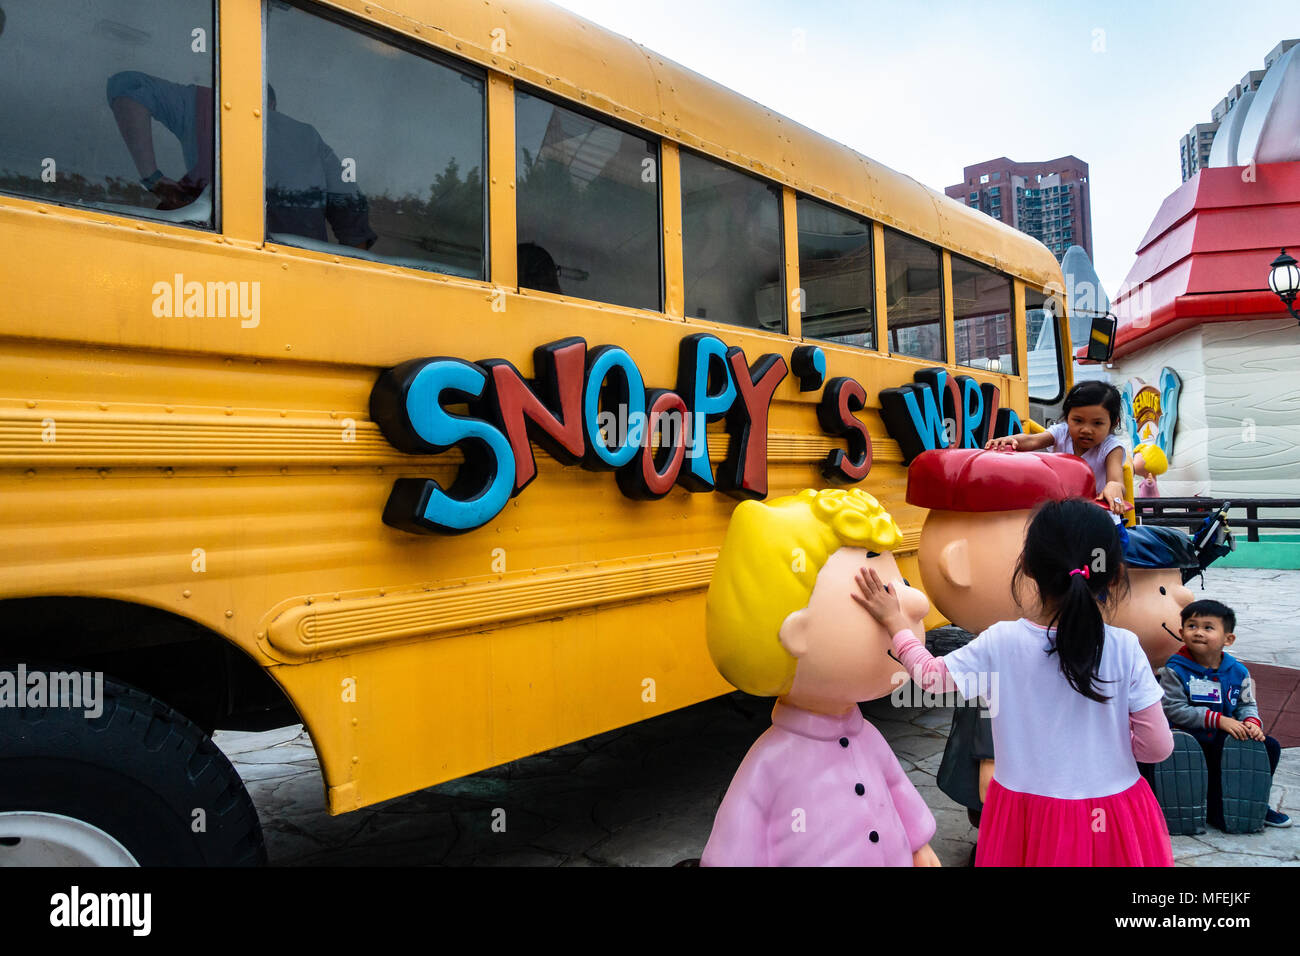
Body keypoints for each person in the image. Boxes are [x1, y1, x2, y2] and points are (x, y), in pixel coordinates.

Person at [855, 497, 1176, 865]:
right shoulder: (1126, 648)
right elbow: (1157, 747)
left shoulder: (1002, 641)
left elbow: (930, 678)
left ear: (1026, 566)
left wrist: (896, 623)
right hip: (1112, 811)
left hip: (1024, 813)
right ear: (1116, 574)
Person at [700, 488, 940, 866]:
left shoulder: (869, 738)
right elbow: (737, 842)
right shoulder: (773, 761)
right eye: (879, 599)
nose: (917, 604)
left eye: (902, 586)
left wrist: (918, 845)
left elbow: (896, 788)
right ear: (796, 632)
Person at [106, 71, 376, 248]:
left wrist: (152, 177)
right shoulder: (307, 137)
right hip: (297, 274)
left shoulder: (205, 106)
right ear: (272, 105)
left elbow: (128, 86)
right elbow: (353, 218)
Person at [1160, 599, 1291, 829]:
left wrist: (1251, 722)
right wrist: (1219, 720)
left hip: (1225, 737)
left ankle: (1256, 803)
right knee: (1191, 761)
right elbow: (1173, 708)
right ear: (1181, 633)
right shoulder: (1174, 669)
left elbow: (1247, 704)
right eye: (1192, 626)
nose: (1198, 632)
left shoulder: (1239, 671)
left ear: (1228, 639)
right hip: (1188, 738)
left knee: (1267, 746)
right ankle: (1205, 807)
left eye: (1208, 627)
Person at [985, 381, 1130, 519]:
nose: (1086, 430)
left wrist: (1114, 487)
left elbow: (1116, 480)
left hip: (1100, 520)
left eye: (1097, 423)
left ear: (1113, 422)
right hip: (1063, 517)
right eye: (1078, 420)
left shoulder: (1111, 448)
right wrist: (1010, 440)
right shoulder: (1062, 433)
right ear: (1067, 417)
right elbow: (1033, 440)